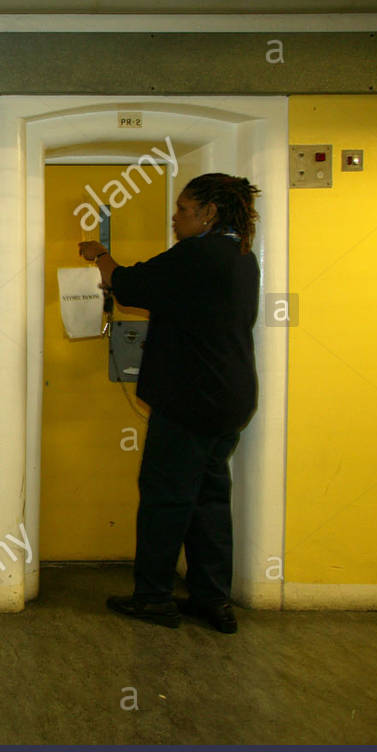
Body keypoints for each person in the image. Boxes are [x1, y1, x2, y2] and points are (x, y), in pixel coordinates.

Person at [77, 173, 260, 634]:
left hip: (189, 401)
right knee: (209, 500)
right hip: (231, 399)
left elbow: (128, 284)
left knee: (165, 498)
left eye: (182, 209)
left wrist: (100, 254)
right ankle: (212, 600)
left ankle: (154, 598)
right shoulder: (243, 257)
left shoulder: (197, 254)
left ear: (208, 213)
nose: (175, 218)